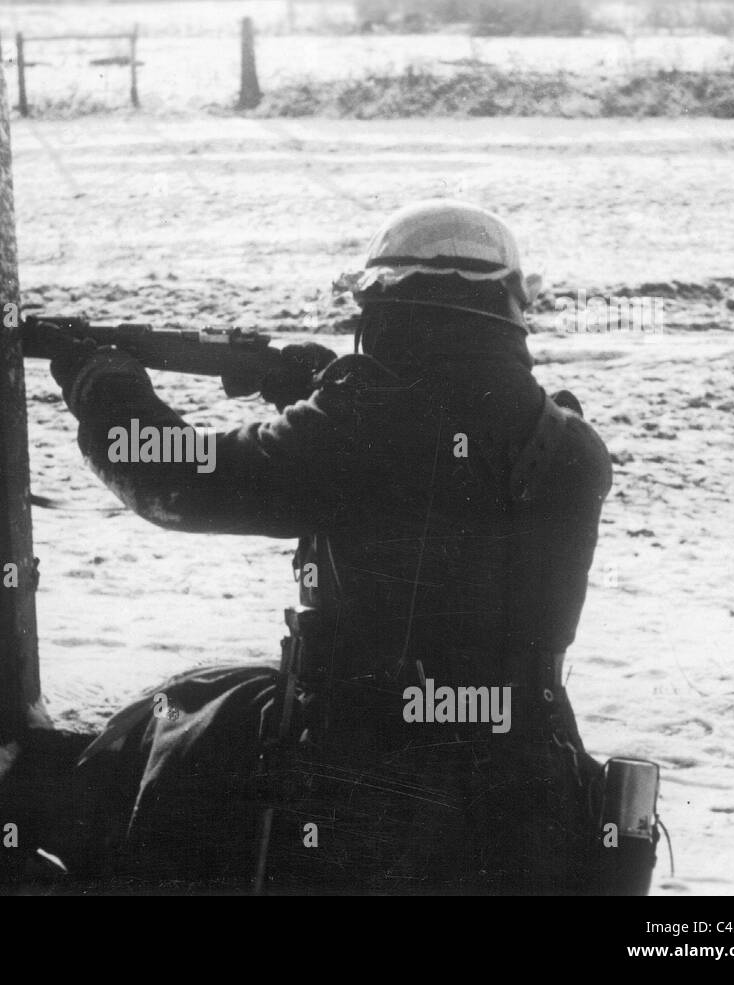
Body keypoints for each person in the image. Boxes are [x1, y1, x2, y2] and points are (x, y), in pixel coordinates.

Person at [34, 200, 618, 894]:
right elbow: (450, 444)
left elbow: (183, 479)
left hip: (363, 778)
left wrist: (107, 391)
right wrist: (326, 386)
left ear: (385, 309)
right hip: (529, 783)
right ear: (507, 307)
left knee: (162, 750)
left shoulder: (357, 425)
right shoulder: (572, 445)